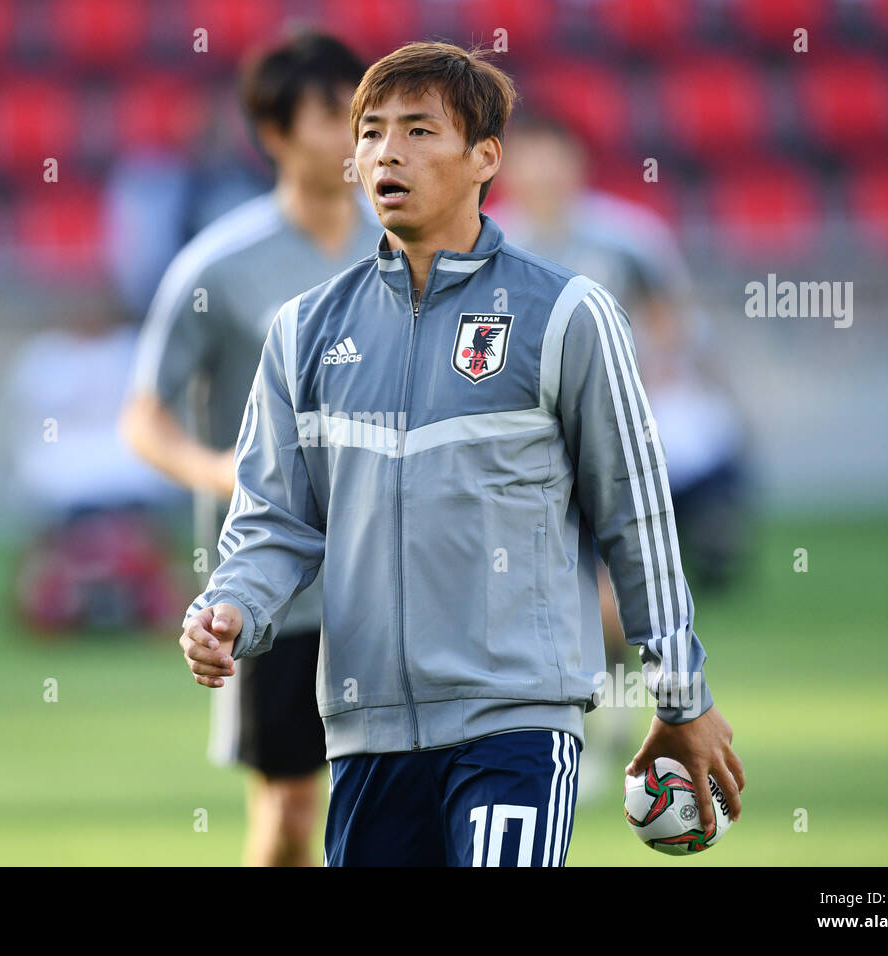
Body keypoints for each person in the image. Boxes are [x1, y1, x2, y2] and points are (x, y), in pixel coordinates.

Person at [179, 40, 745, 867]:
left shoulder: (567, 315)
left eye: (417, 130)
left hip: (514, 722)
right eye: (370, 133)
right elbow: (274, 522)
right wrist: (232, 606)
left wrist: (680, 693)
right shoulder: (303, 332)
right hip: (366, 731)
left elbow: (636, 516)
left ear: (486, 157)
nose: (385, 153)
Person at [120, 31, 376, 866]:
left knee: (401, 807)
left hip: (402, 575)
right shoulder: (218, 268)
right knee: (291, 813)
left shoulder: (414, 243)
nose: (355, 138)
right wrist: (219, 471)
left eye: (364, 115)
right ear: (273, 133)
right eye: (333, 115)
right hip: (280, 585)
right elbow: (145, 413)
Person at [494, 115, 752, 801]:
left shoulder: (627, 239)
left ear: (577, 166)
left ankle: (608, 719)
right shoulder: (489, 241)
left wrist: (650, 382)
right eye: (531, 162)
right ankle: (586, 722)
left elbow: (673, 322)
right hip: (524, 450)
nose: (544, 176)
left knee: (605, 601)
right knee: (549, 603)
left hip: (615, 440)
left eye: (556, 161)